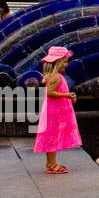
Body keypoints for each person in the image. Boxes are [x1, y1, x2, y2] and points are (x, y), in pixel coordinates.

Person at [33, 46, 81, 174]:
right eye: (64, 61)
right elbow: (50, 92)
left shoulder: (55, 76)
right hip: (54, 112)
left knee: (52, 136)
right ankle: (52, 164)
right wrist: (67, 95)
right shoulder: (57, 77)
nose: (67, 64)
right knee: (53, 137)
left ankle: (51, 163)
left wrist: (69, 97)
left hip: (54, 110)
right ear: (57, 62)